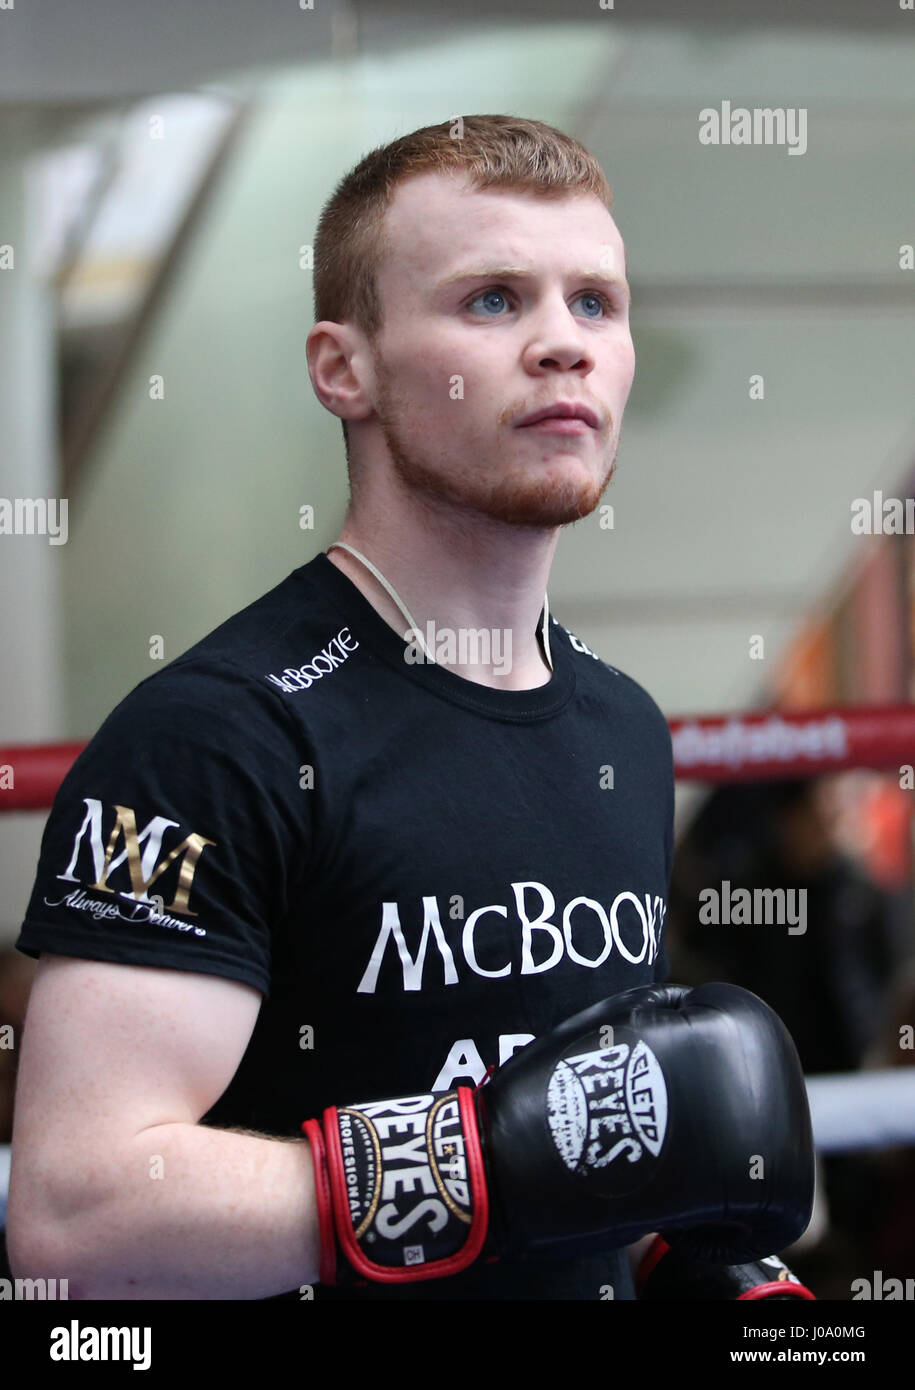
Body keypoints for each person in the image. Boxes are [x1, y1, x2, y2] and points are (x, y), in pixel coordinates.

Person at [5, 115, 806, 1302]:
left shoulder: (622, 731)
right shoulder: (219, 739)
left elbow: (594, 1142)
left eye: (596, 302)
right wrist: (486, 1170)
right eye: (492, 300)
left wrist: (716, 1267)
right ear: (346, 367)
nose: (562, 345)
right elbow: (76, 1213)